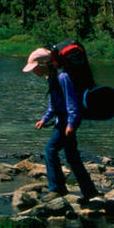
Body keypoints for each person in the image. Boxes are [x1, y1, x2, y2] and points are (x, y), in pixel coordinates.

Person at [23, 46, 99, 203]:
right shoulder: (51, 78)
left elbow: (72, 104)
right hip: (63, 119)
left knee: (50, 150)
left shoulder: (63, 77)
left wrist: (71, 124)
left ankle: (57, 189)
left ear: (45, 64)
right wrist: (44, 119)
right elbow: (54, 105)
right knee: (72, 156)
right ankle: (90, 191)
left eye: (35, 68)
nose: (33, 71)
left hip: (67, 121)